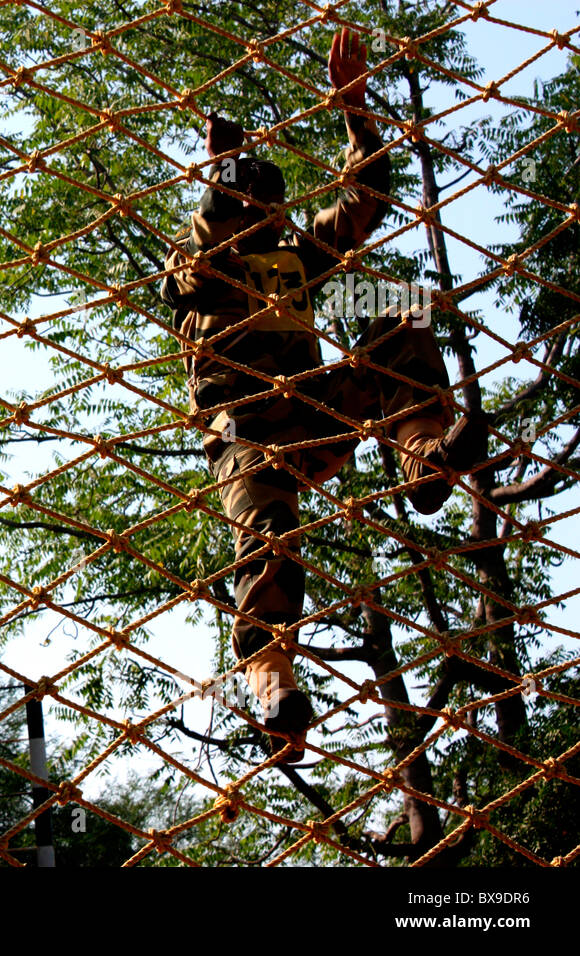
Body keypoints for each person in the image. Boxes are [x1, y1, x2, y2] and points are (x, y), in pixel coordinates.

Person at [160, 28, 486, 762]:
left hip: (314, 412)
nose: (267, 219)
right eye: (255, 206)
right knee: (270, 544)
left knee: (399, 324)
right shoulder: (200, 256)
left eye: (272, 207)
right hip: (248, 433)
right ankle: (273, 681)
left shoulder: (294, 257)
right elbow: (195, 271)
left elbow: (366, 202)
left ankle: (423, 457)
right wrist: (223, 174)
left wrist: (355, 111)